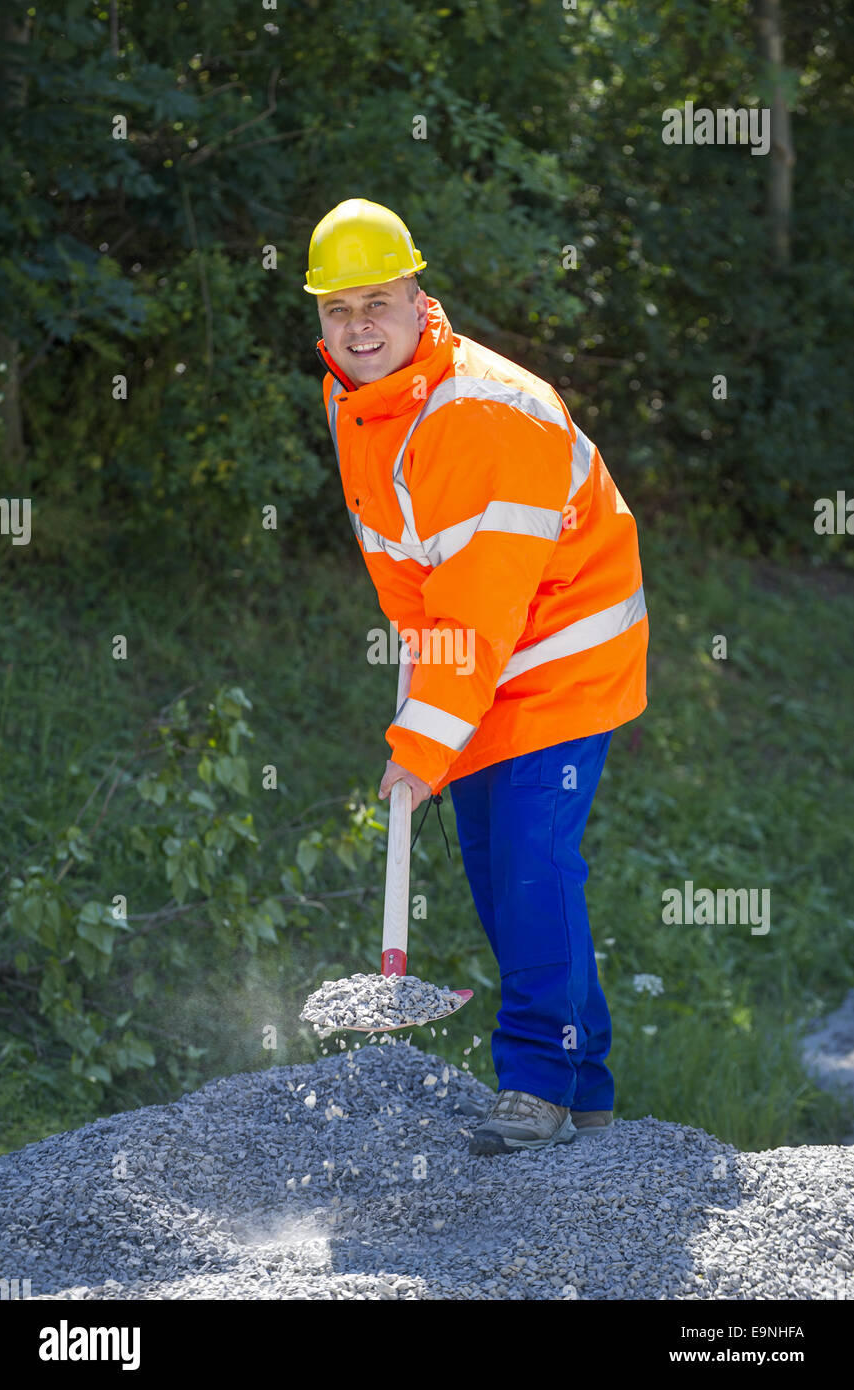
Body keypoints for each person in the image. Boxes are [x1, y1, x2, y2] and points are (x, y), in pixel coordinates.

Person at [305, 198, 648, 1156]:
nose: (358, 324)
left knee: (535, 872)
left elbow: (482, 606)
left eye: (379, 299)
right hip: (477, 659)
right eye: (337, 307)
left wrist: (419, 742)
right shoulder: (358, 396)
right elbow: (421, 574)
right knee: (500, 878)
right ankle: (586, 1089)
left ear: (420, 297)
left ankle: (538, 1083)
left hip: (559, 656)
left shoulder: (478, 414)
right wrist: (422, 682)